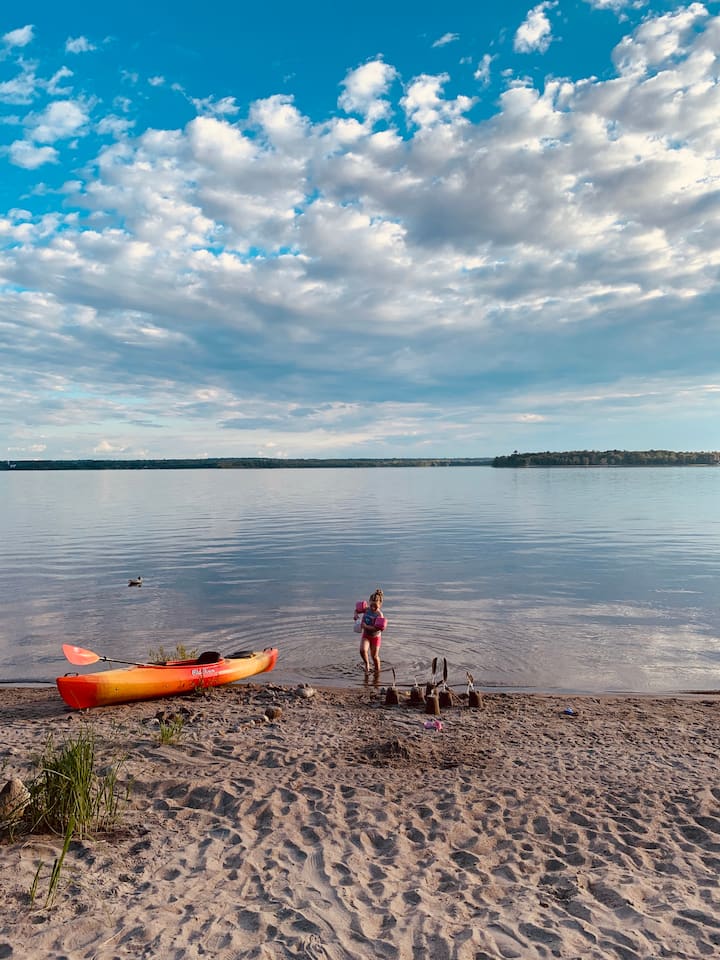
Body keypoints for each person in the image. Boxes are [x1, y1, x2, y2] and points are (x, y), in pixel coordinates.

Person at [354, 587, 387, 675]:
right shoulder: (366, 609)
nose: (372, 608)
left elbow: (377, 628)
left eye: (375, 606)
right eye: (371, 605)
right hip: (366, 635)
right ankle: (367, 664)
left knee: (374, 656)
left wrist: (366, 626)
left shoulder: (379, 615)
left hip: (375, 637)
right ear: (369, 602)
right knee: (362, 650)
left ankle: (378, 672)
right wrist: (356, 616)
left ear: (380, 604)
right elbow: (356, 610)